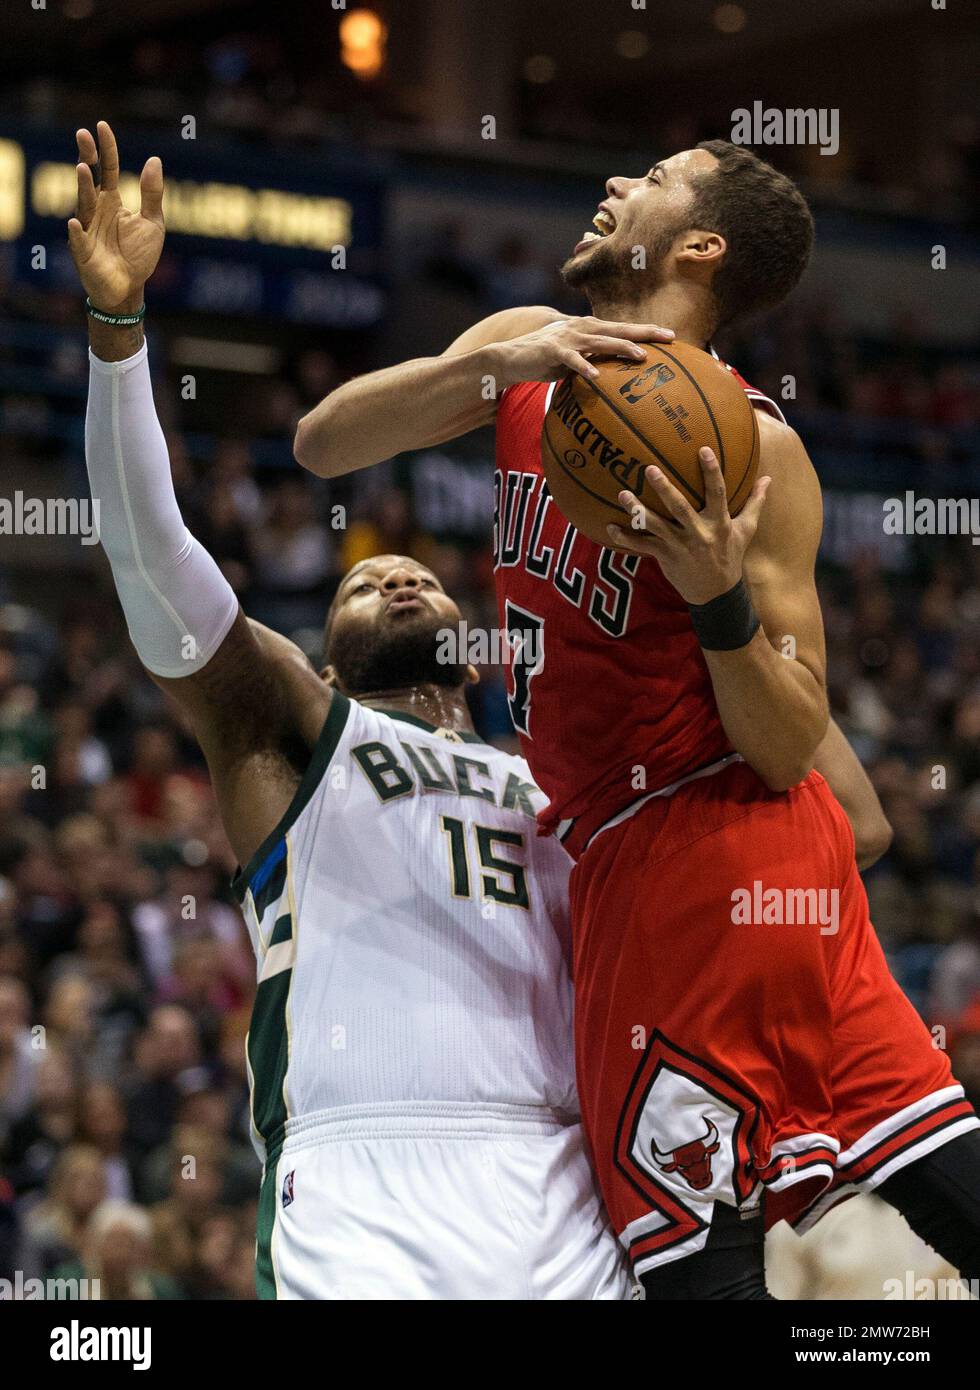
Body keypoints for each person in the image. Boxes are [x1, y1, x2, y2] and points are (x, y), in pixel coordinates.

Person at [294, 141, 980, 1298]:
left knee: (692, 1266)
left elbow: (778, 743)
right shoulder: (523, 352)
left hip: (678, 854)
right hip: (747, 870)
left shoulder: (756, 447)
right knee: (943, 1182)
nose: (612, 187)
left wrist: (715, 601)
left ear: (697, 246)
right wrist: (497, 365)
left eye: (650, 180)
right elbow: (325, 442)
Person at [69, 121, 628, 1300]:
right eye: (360, 581)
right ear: (320, 655)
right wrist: (120, 340)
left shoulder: (554, 783)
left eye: (415, 573)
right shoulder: (295, 734)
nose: (393, 576)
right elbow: (149, 558)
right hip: (360, 1175)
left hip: (557, 1177)